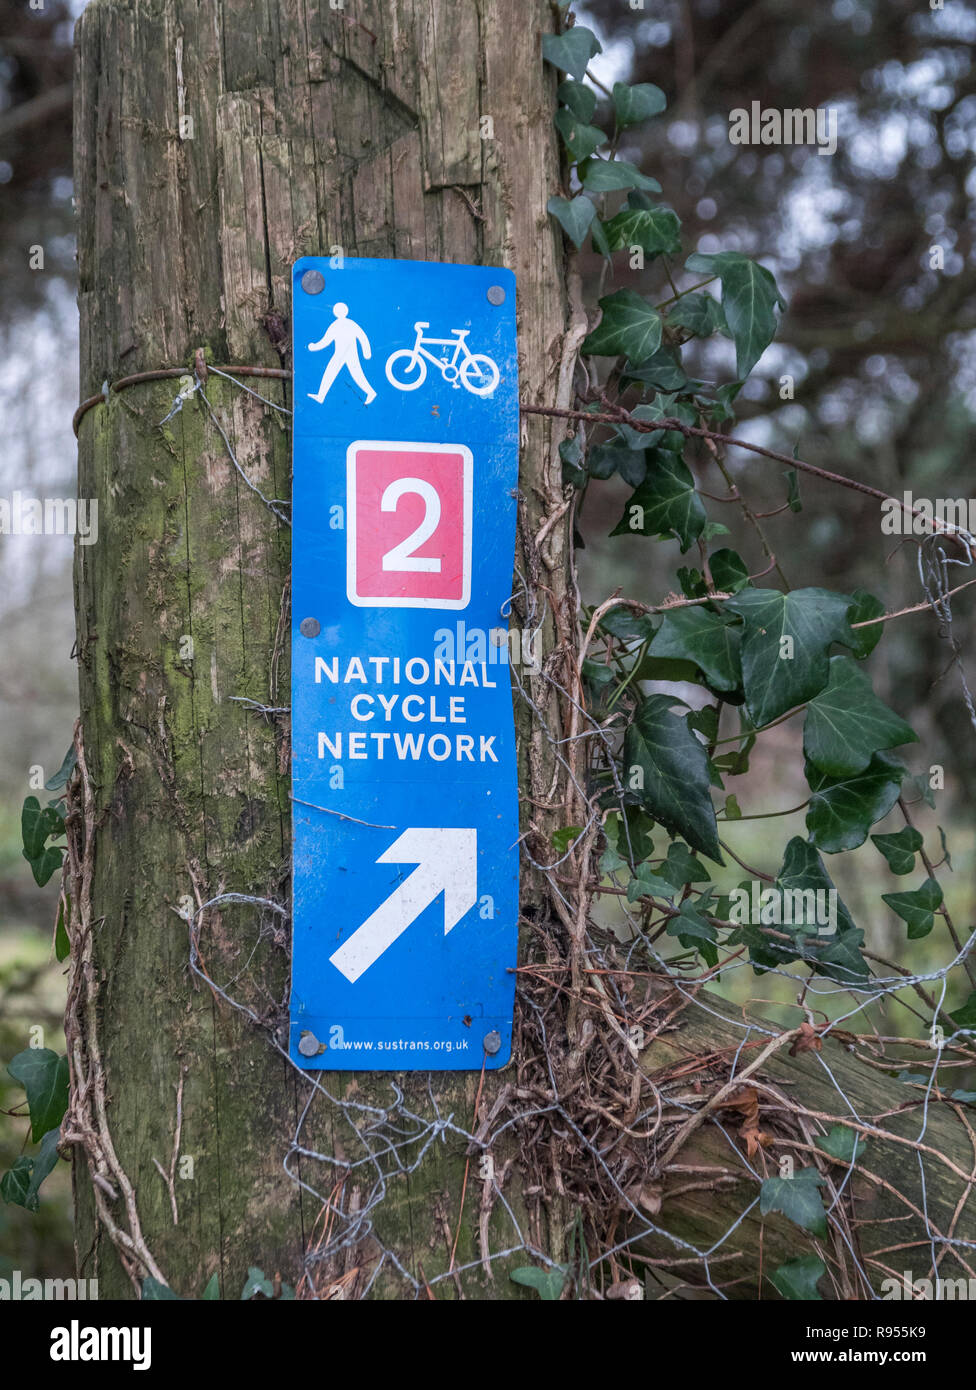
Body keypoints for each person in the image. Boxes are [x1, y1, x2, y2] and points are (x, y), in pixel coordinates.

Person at [307, 303, 376, 404]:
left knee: (356, 375)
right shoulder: (338, 325)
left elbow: (362, 336)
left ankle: (371, 392)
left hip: (349, 354)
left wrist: (367, 352)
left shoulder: (346, 324)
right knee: (332, 373)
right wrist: (314, 347)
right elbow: (326, 340)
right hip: (340, 354)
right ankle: (321, 396)